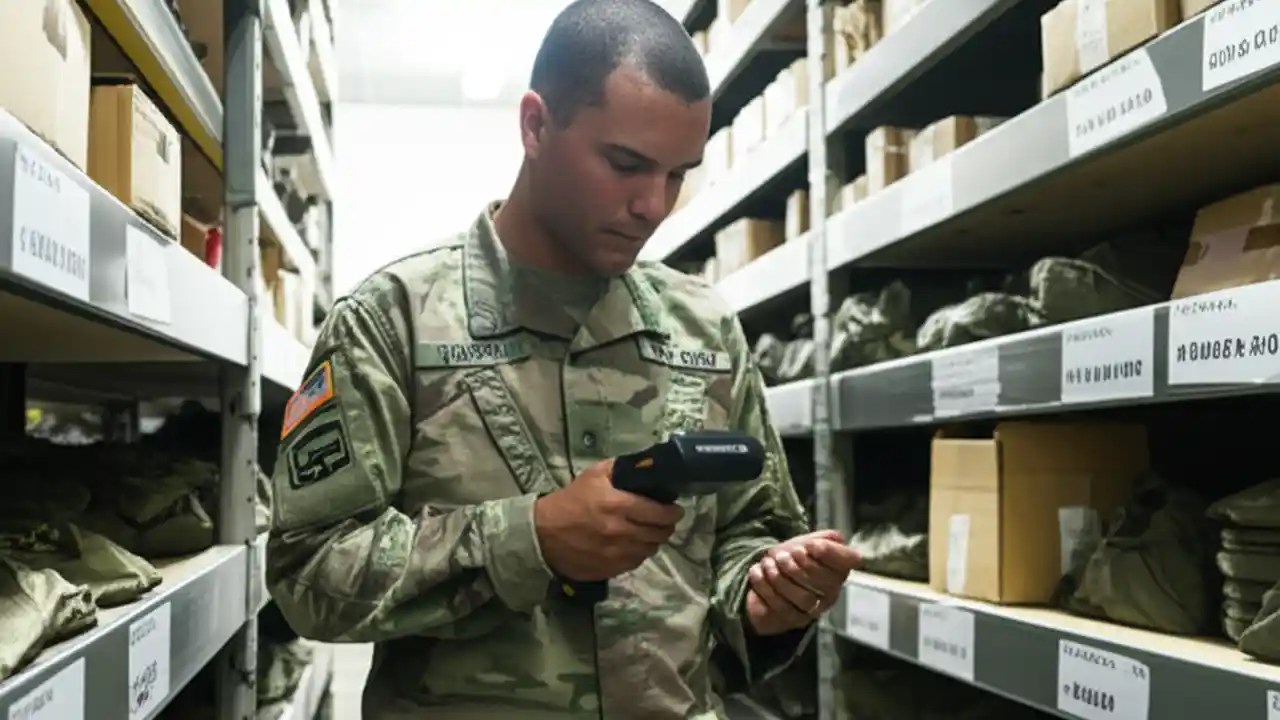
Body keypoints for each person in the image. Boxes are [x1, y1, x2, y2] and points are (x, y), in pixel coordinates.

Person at [265, 0, 861, 717]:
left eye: (678, 175)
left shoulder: (705, 332)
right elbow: (308, 575)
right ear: (536, 126)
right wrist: (533, 538)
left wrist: (768, 590)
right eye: (625, 164)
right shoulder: (392, 323)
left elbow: (749, 533)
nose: (653, 205)